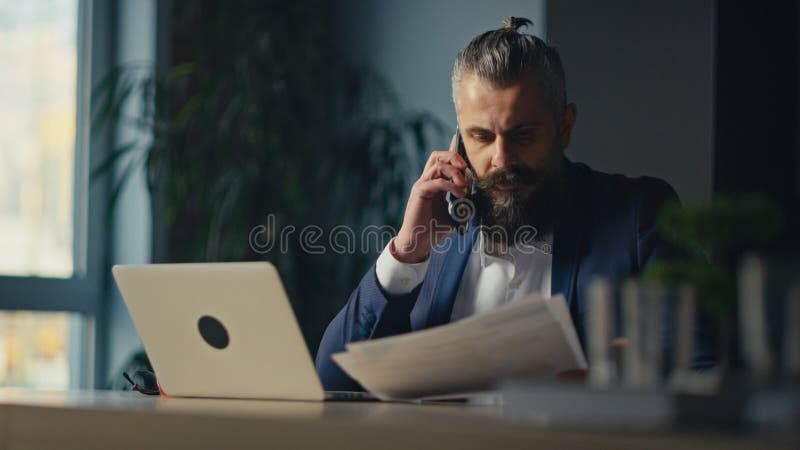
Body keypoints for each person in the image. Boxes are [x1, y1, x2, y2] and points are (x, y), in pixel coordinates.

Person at [315, 17, 715, 391]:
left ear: (564, 127)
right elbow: (333, 381)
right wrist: (406, 252)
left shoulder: (639, 216)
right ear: (459, 140)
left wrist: (609, 379)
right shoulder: (433, 235)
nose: (502, 160)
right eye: (482, 138)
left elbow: (701, 374)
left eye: (522, 134)